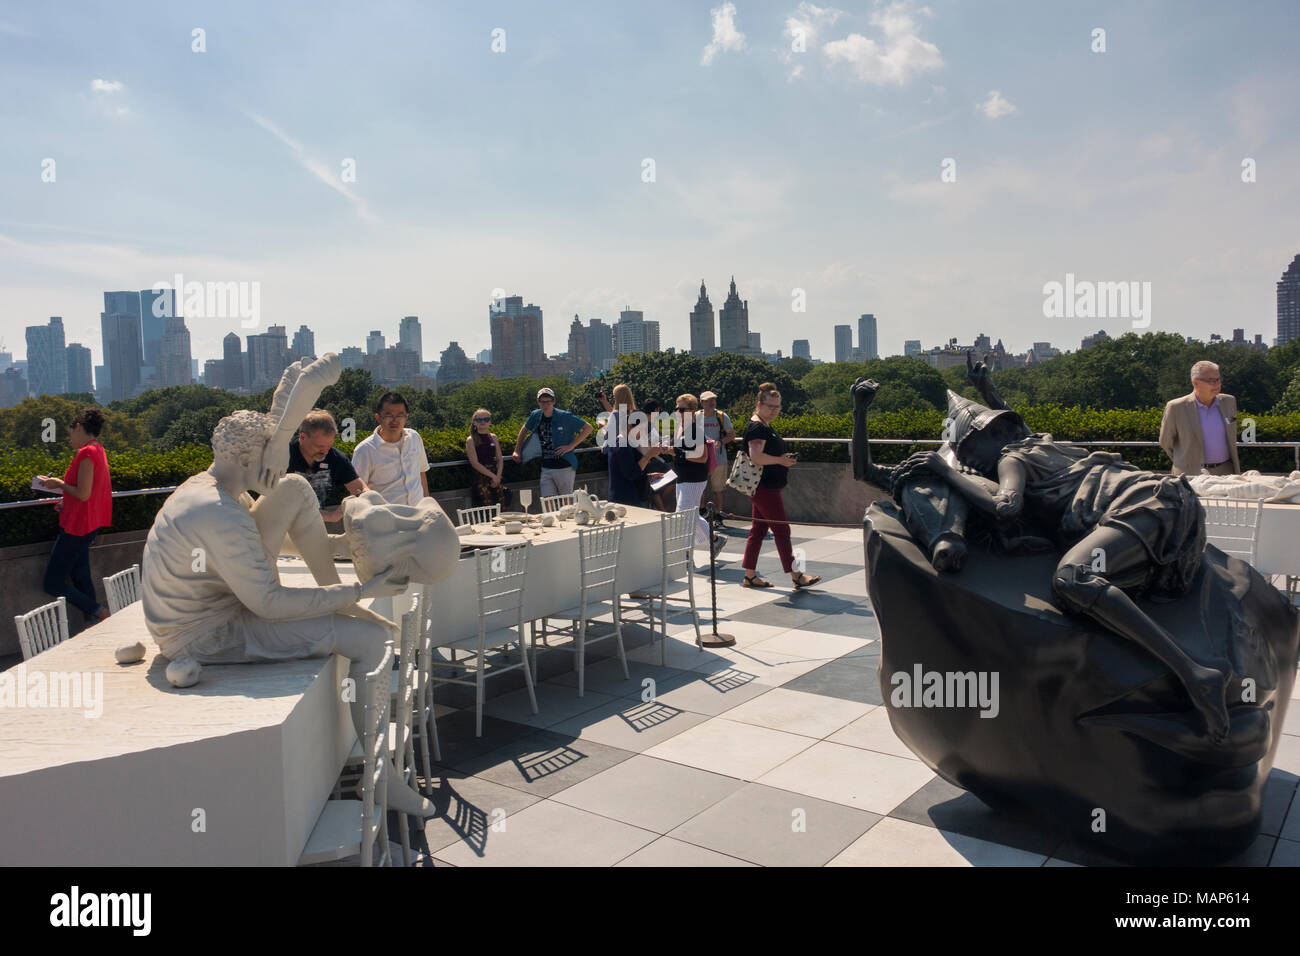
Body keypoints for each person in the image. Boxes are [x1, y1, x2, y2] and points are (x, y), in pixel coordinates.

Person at [38, 407, 114, 625]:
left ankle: (100, 612)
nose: (69, 438)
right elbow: (88, 491)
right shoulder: (98, 449)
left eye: (70, 433)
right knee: (80, 575)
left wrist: (59, 484)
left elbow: (82, 493)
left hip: (77, 526)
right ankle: (96, 624)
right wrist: (65, 500)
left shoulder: (86, 453)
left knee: (52, 583)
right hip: (87, 523)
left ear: (79, 427)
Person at [741, 383, 820, 590]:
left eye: (777, 407)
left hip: (764, 487)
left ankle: (749, 576)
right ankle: (796, 575)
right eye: (770, 406)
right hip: (765, 488)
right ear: (759, 404)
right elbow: (756, 457)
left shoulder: (764, 424)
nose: (774, 410)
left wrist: (782, 459)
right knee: (782, 530)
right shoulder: (758, 427)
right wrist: (780, 460)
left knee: (758, 530)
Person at [1159, 361, 1241, 477]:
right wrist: (1184, 461)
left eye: (1218, 379)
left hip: (1226, 473)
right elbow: (1166, 442)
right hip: (1190, 474)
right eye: (1211, 381)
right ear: (1195, 382)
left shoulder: (1229, 401)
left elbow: (1231, 432)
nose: (1216, 384)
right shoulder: (1176, 407)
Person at [511, 387, 593, 499]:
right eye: (542, 402)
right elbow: (524, 429)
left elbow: (588, 428)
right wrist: (517, 450)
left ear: (553, 401)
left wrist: (571, 446)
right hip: (546, 466)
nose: (545, 405)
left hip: (564, 465)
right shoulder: (535, 415)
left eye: (548, 401)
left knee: (566, 502)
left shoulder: (565, 416)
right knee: (547, 501)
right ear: (538, 402)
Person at [351, 392, 430, 505]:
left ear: (406, 417)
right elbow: (356, 492)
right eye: (388, 415)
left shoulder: (414, 438)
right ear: (378, 417)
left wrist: (427, 507)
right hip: (387, 519)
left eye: (400, 415)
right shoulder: (364, 450)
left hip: (419, 515)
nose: (394, 420)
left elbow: (421, 473)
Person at [288, 409, 367, 522]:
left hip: (313, 524)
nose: (325, 452)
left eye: (329, 446)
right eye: (319, 446)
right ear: (302, 437)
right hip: (280, 523)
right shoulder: (283, 456)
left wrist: (362, 497)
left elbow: (360, 488)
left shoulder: (336, 458)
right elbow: (275, 503)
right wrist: (330, 516)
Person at [672, 394, 725, 559]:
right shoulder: (681, 429)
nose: (678, 412)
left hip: (693, 479)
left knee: (683, 517)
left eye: (682, 409)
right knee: (690, 516)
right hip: (683, 477)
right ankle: (715, 539)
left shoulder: (694, 430)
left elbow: (702, 456)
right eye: (676, 408)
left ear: (692, 411)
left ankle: (686, 556)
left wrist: (676, 452)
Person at [605, 384, 668, 506]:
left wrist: (648, 476)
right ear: (630, 427)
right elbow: (632, 473)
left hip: (630, 497)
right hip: (626, 500)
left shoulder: (626, 443)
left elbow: (630, 470)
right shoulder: (621, 444)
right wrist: (648, 456)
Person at [699, 390, 736, 515]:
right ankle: (701, 512)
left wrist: (721, 441)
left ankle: (718, 514)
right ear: (701, 402)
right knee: (699, 489)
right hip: (700, 458)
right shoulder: (695, 417)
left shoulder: (721, 416)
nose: (712, 402)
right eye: (708, 400)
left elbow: (732, 435)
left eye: (713, 400)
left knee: (718, 489)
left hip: (719, 458)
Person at [465, 408, 507, 508]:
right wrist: (493, 476)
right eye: (479, 420)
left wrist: (498, 477)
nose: (483, 422)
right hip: (480, 477)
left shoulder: (493, 437)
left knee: (501, 507)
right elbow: (475, 463)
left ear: (490, 422)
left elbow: (500, 459)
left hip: (495, 475)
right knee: (485, 509)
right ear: (474, 422)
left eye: (486, 419)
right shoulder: (470, 440)